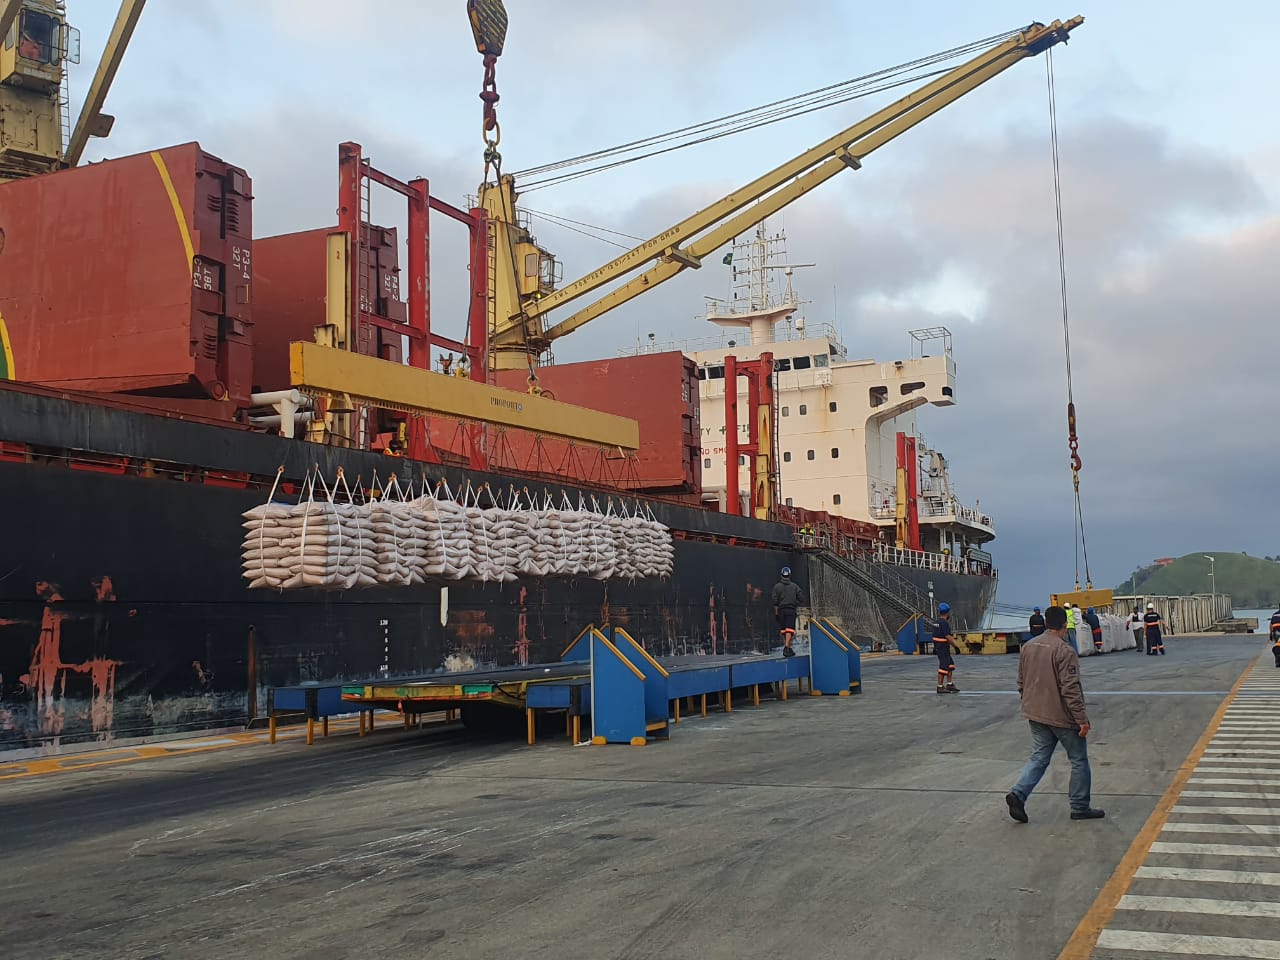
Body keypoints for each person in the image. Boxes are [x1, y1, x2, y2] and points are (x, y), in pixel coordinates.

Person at [1004, 605, 1104, 823]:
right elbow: (1070, 689)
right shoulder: (1064, 650)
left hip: (1036, 713)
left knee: (1039, 757)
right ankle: (1079, 806)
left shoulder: (1028, 647)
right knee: (1078, 760)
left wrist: (1029, 704)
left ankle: (1018, 794)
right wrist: (1081, 719)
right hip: (1061, 717)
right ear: (1064, 624)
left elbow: (1021, 682)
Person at [771, 566, 804, 658]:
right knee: (790, 630)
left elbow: (775, 602)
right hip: (791, 610)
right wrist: (795, 603)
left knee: (784, 631)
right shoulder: (795, 586)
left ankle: (788, 649)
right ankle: (786, 647)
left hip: (781, 611)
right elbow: (801, 598)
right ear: (789, 575)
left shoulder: (777, 587)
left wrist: (776, 613)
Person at [933, 602, 958, 694]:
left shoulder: (936, 623)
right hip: (943, 648)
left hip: (939, 647)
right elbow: (948, 636)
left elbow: (935, 636)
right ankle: (940, 686)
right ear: (947, 612)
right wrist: (956, 646)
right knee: (943, 667)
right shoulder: (944, 624)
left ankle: (949, 684)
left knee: (950, 665)